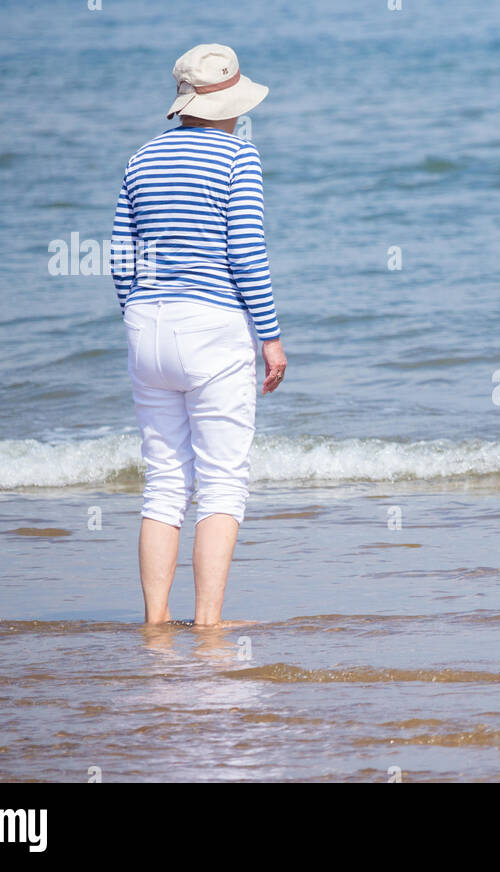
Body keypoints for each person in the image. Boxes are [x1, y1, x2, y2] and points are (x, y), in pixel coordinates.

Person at [111, 44, 287, 625]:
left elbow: (121, 256)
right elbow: (245, 253)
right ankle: (209, 622)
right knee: (221, 484)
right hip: (212, 327)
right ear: (231, 105)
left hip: (147, 326)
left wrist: (137, 319)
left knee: (163, 483)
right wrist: (271, 336)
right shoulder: (239, 158)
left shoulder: (140, 159)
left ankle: (156, 622)